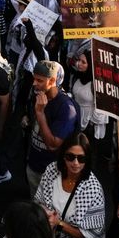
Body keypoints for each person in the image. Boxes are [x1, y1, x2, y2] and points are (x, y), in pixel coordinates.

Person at [26, 61, 81, 192]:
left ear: (52, 81)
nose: (34, 83)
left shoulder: (66, 108)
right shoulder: (38, 94)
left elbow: (53, 145)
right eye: (34, 79)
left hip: (52, 173)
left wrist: (40, 113)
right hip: (34, 165)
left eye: (39, 80)